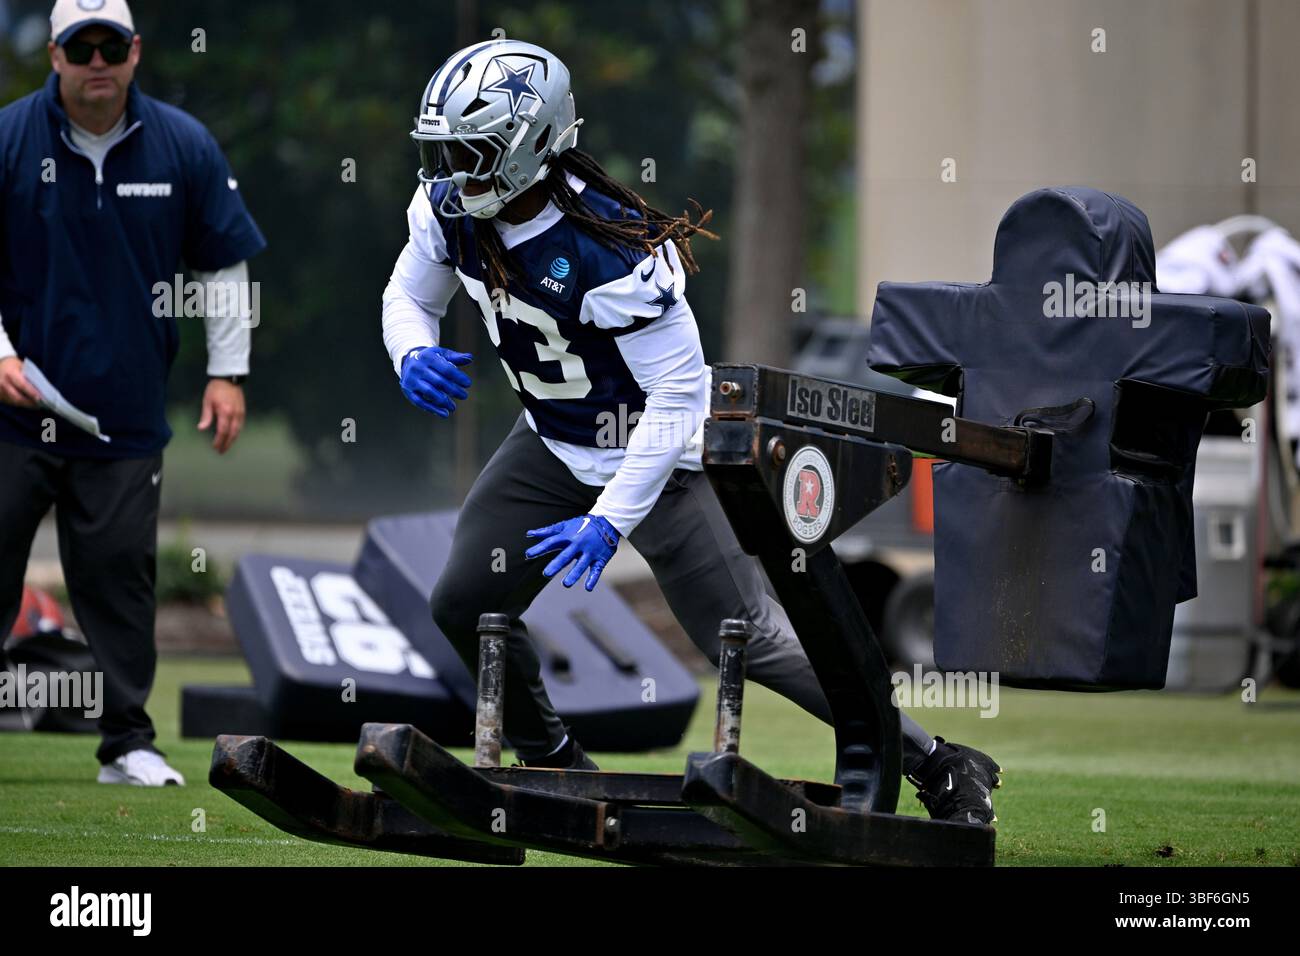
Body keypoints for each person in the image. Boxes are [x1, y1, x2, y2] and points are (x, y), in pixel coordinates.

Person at [382, 38, 1000, 824]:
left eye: (467, 152)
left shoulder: (610, 247)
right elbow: (409, 294)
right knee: (463, 602)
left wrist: (611, 521)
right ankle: (556, 765)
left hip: (665, 458)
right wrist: (413, 350)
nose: (447, 172)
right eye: (442, 152)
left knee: (750, 637)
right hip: (550, 444)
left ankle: (939, 760)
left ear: (528, 147)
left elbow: (678, 397)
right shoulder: (450, 210)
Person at [0, 0, 266, 785]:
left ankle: (128, 746)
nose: (95, 62)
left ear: (135, 52)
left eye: (108, 46)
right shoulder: (9, 139)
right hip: (11, 416)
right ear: (53, 56)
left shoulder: (183, 145)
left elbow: (222, 267)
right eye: (78, 48)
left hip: (122, 419)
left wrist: (228, 374)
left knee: (119, 580)